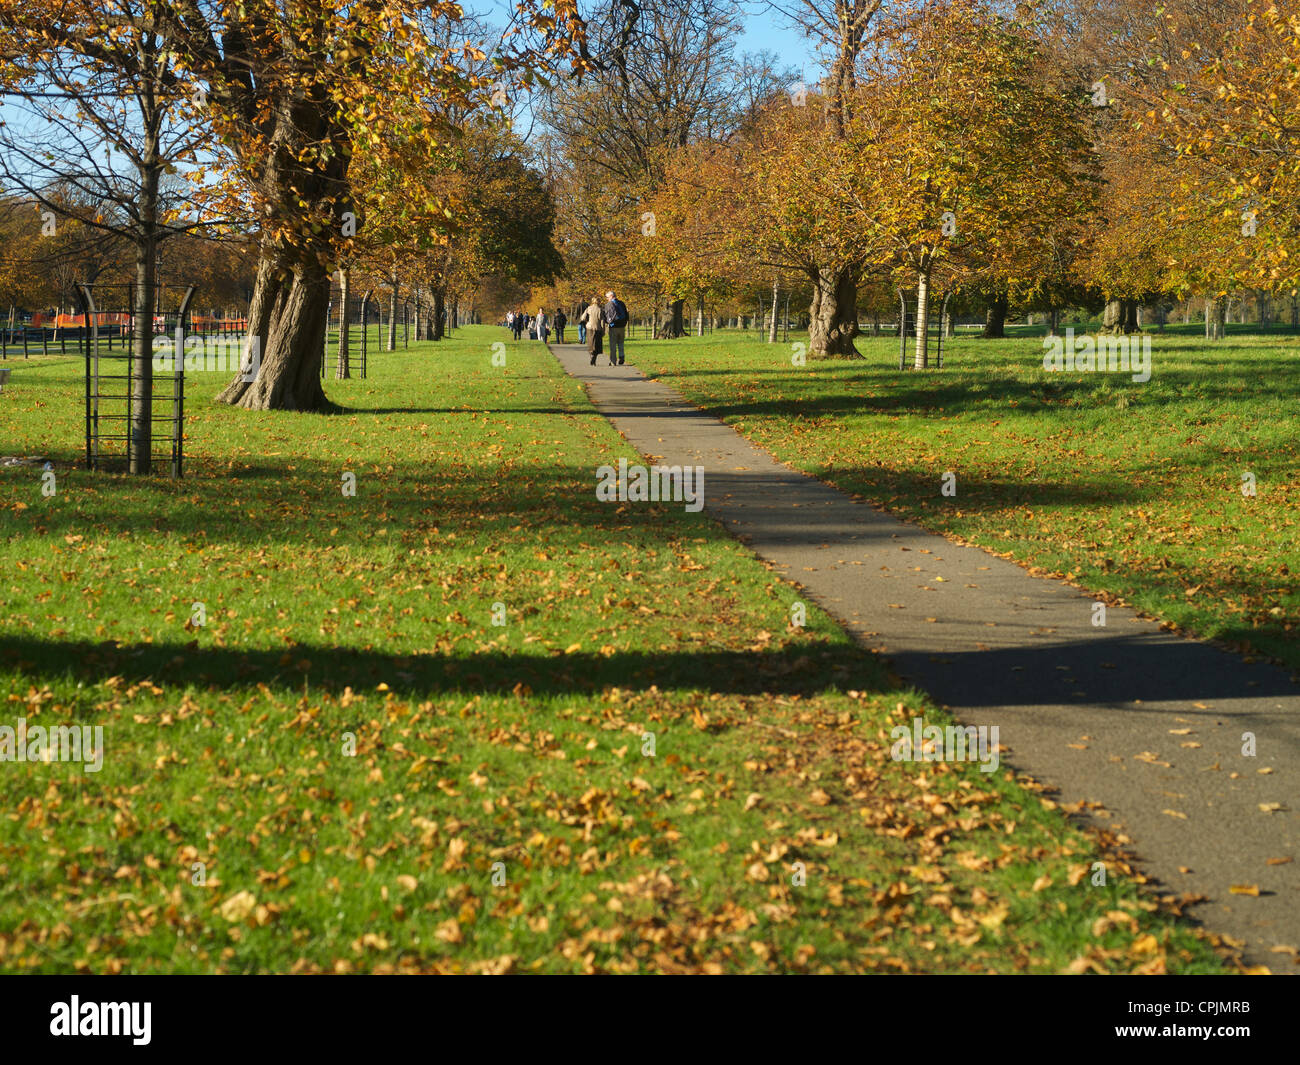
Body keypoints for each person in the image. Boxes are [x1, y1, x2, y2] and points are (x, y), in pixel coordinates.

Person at [603, 290, 629, 366]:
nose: (607, 299)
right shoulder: (621, 303)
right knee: (621, 343)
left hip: (613, 326)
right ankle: (621, 357)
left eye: (607, 297)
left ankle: (613, 361)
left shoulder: (608, 304)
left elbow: (606, 316)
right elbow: (626, 314)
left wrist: (607, 323)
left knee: (613, 344)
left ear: (611, 296)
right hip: (622, 326)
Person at [581, 295, 604, 366]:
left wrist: (587, 322)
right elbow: (602, 320)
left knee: (590, 343)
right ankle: (594, 357)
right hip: (597, 328)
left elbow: (582, 318)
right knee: (597, 344)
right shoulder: (600, 310)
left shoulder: (588, 308)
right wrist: (603, 330)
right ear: (598, 302)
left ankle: (591, 355)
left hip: (589, 327)